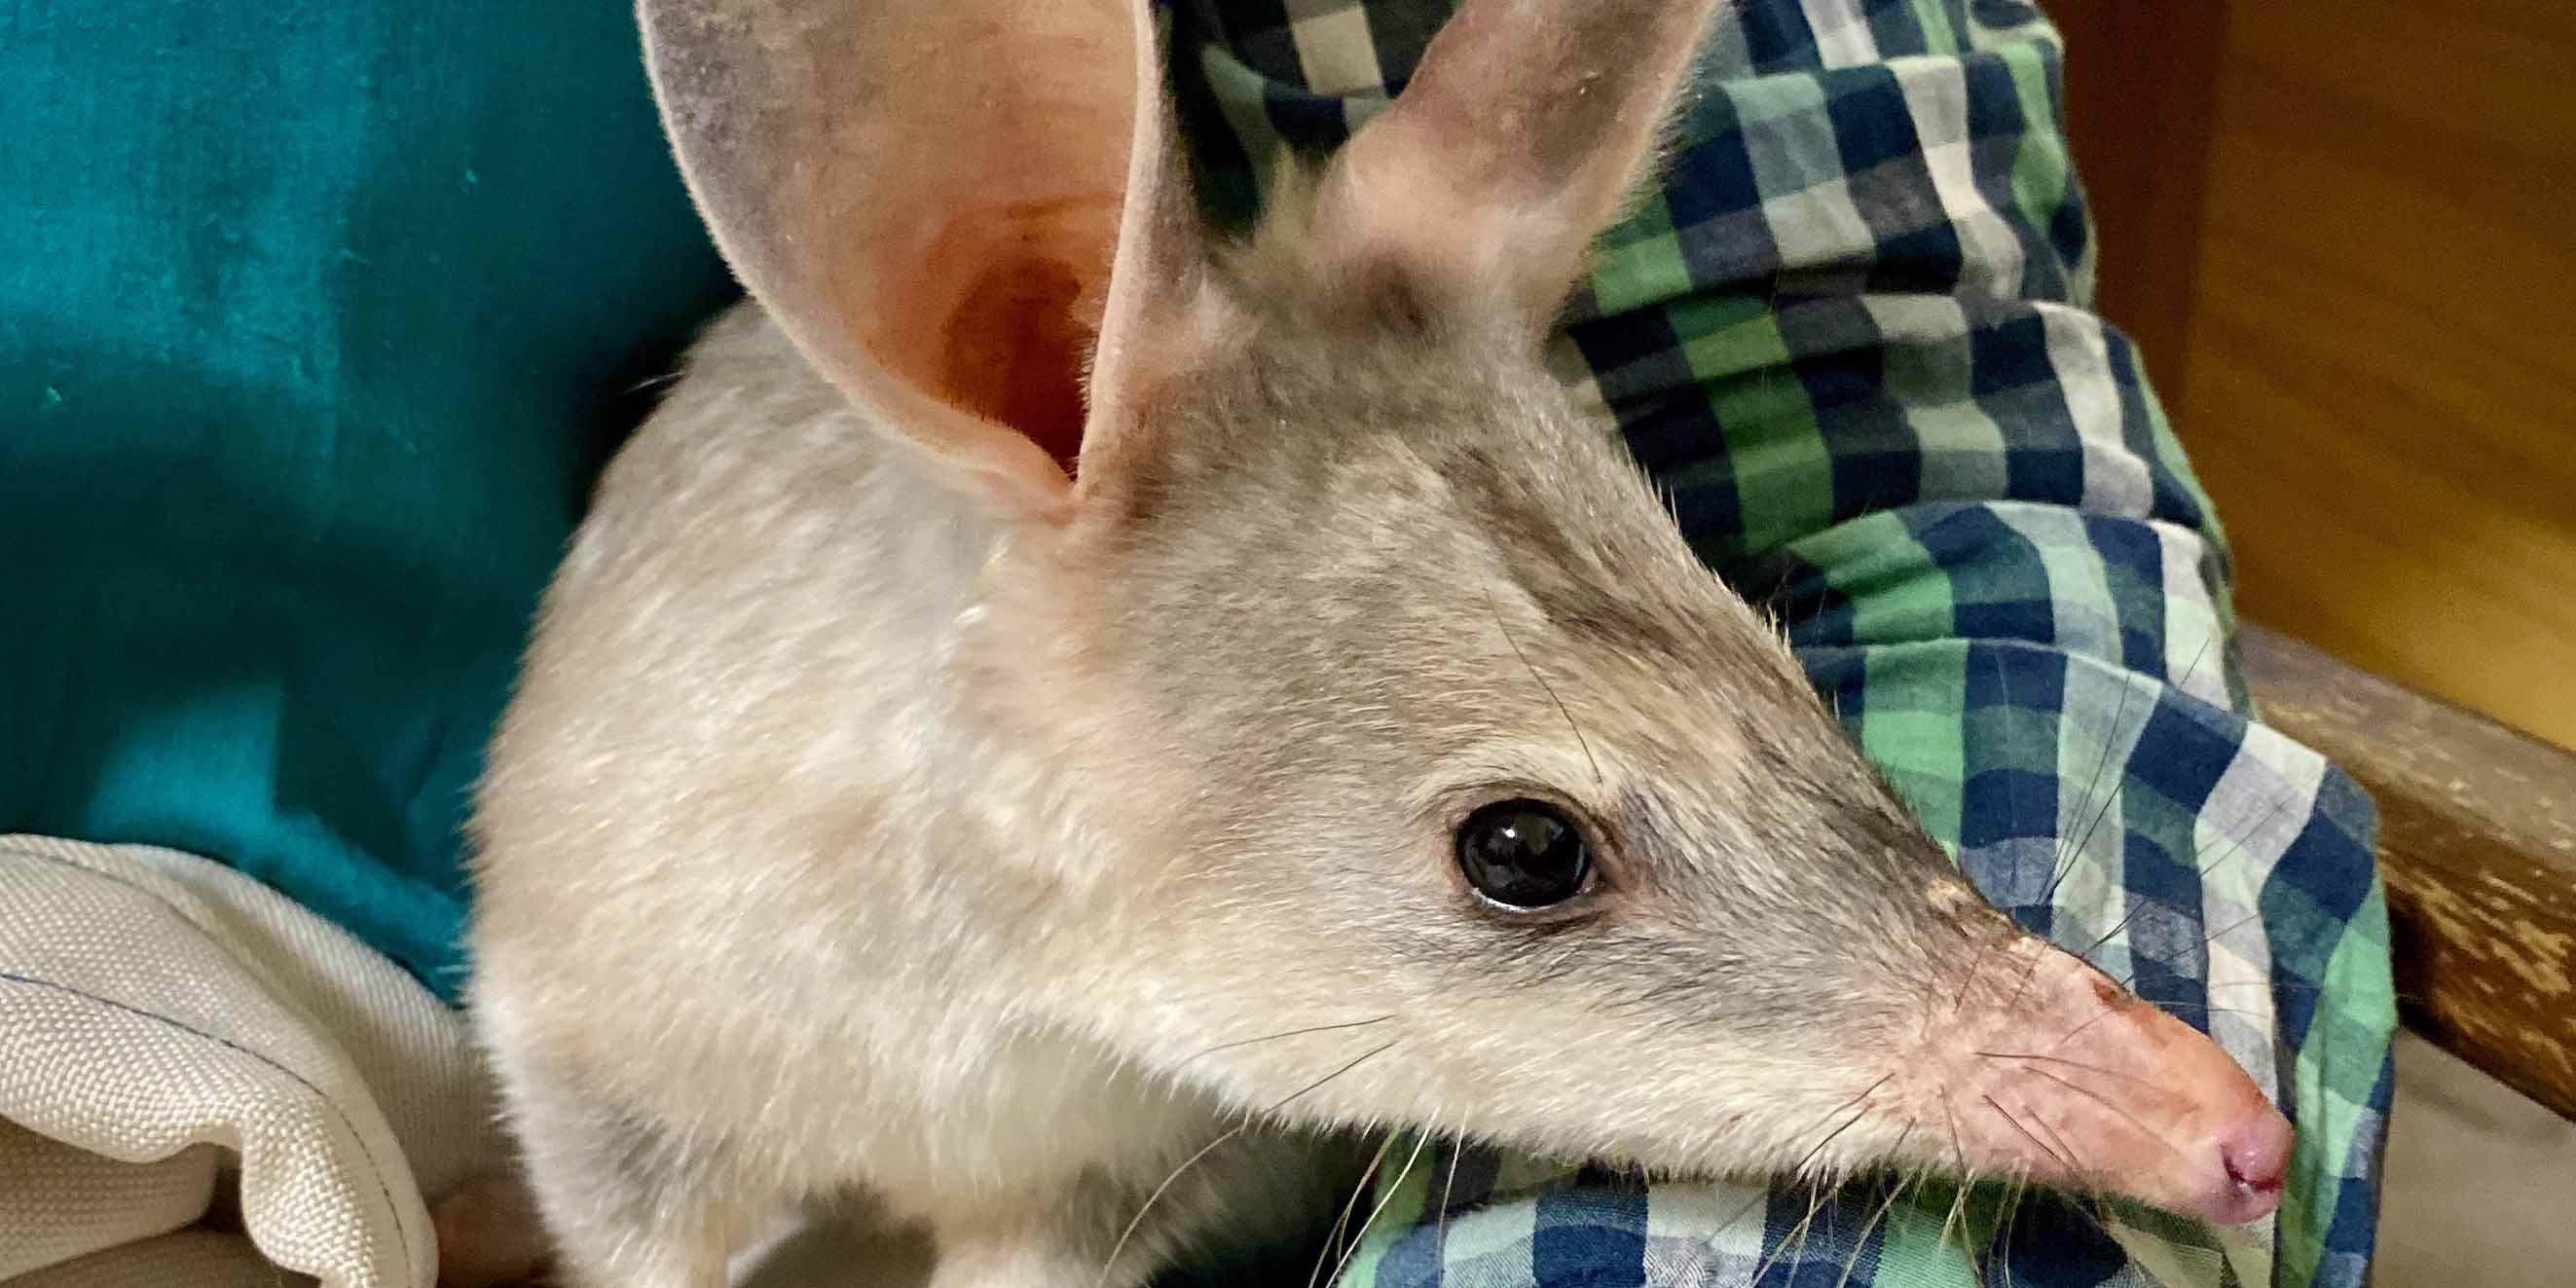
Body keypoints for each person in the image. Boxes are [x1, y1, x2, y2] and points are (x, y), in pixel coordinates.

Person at [0, 2, 2392, 1285]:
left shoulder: (1418, 375)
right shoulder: (758, 815)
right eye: (1530, 850)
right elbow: (581, 1022)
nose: (2175, 1110)